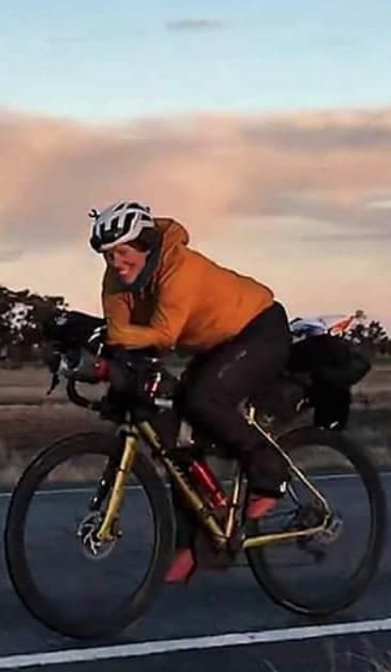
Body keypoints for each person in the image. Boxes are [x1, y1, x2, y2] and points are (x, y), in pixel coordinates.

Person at [88, 200, 292, 583]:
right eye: (108, 255)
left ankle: (271, 472)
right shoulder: (115, 282)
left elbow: (161, 337)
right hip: (213, 345)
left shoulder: (180, 268)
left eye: (123, 252)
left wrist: (111, 338)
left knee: (204, 400)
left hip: (258, 328)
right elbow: (120, 337)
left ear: (146, 243)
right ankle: (200, 543)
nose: (116, 263)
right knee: (172, 440)